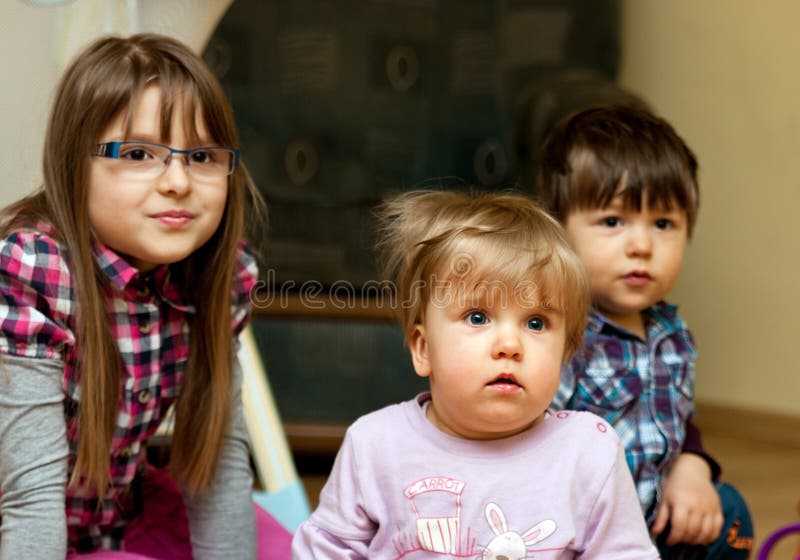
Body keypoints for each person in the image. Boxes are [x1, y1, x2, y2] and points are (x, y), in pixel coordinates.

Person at [0, 33, 275, 558]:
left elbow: (217, 466)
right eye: (138, 153)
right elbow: (29, 499)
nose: (177, 181)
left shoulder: (219, 272)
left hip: (110, 520)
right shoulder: (35, 270)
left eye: (200, 156)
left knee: (279, 544)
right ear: (73, 163)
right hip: (20, 528)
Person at [291, 189, 660, 559]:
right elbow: (326, 551)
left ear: (566, 353)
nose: (510, 344)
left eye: (536, 322)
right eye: (478, 317)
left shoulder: (588, 452)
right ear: (423, 349)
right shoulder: (374, 446)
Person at [537, 105, 753, 559]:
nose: (641, 246)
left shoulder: (671, 333)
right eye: (613, 221)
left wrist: (692, 469)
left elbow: (679, 420)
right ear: (557, 232)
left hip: (652, 519)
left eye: (663, 224)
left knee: (730, 512)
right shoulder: (559, 335)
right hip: (579, 532)